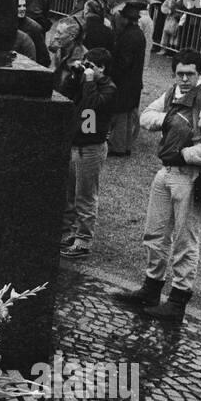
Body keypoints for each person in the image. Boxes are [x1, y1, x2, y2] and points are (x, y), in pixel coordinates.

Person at [114, 49, 201, 322]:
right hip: (166, 171)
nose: (184, 79)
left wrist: (188, 155)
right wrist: (166, 119)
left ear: (200, 74)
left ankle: (177, 301)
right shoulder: (173, 93)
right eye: (180, 74)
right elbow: (146, 115)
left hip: (189, 175)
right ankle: (151, 288)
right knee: (155, 233)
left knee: (186, 240)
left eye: (190, 74)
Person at [59, 47, 117, 260]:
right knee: (69, 194)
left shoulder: (109, 89)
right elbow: (64, 94)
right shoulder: (85, 81)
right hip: (76, 144)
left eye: (90, 66)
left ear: (102, 68)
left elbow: (91, 108)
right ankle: (69, 233)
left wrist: (90, 81)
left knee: (85, 196)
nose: (86, 69)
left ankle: (83, 240)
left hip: (91, 148)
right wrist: (75, 76)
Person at [107, 2, 146, 156]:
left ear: (126, 18)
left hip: (125, 82)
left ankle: (118, 147)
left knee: (121, 114)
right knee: (128, 114)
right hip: (134, 82)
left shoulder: (129, 36)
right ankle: (126, 145)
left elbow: (124, 62)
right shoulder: (138, 33)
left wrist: (112, 74)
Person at [17, 0, 50, 65]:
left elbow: (44, 57)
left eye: (24, 6)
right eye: (19, 6)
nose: (22, 9)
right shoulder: (7, 24)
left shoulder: (34, 28)